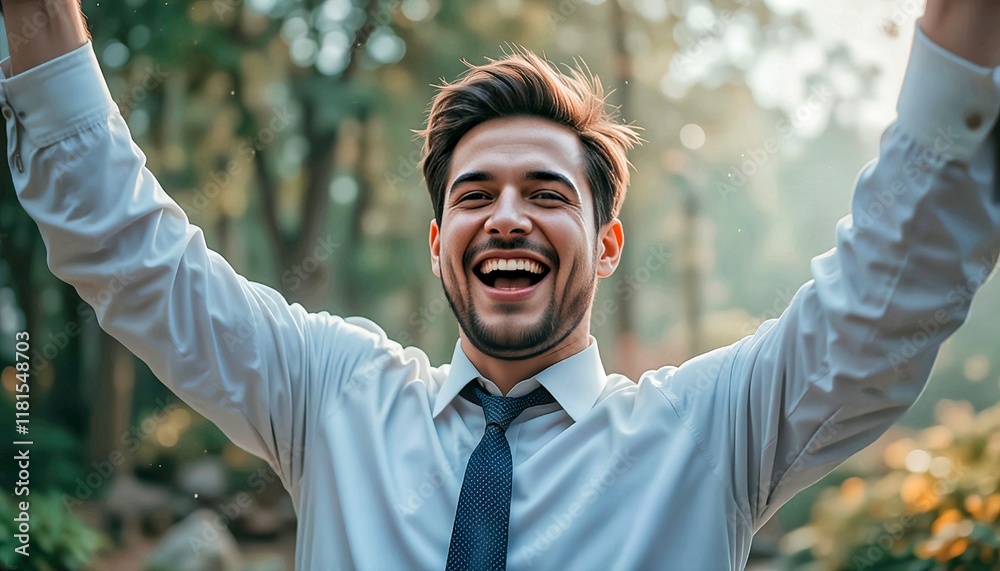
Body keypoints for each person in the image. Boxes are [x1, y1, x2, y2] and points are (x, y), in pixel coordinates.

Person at [2, 0, 999, 569]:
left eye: (546, 193)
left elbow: (885, 294)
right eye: (475, 193)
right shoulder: (331, 396)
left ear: (606, 245)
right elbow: (135, 260)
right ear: (441, 243)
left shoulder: (708, 432)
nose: (508, 215)